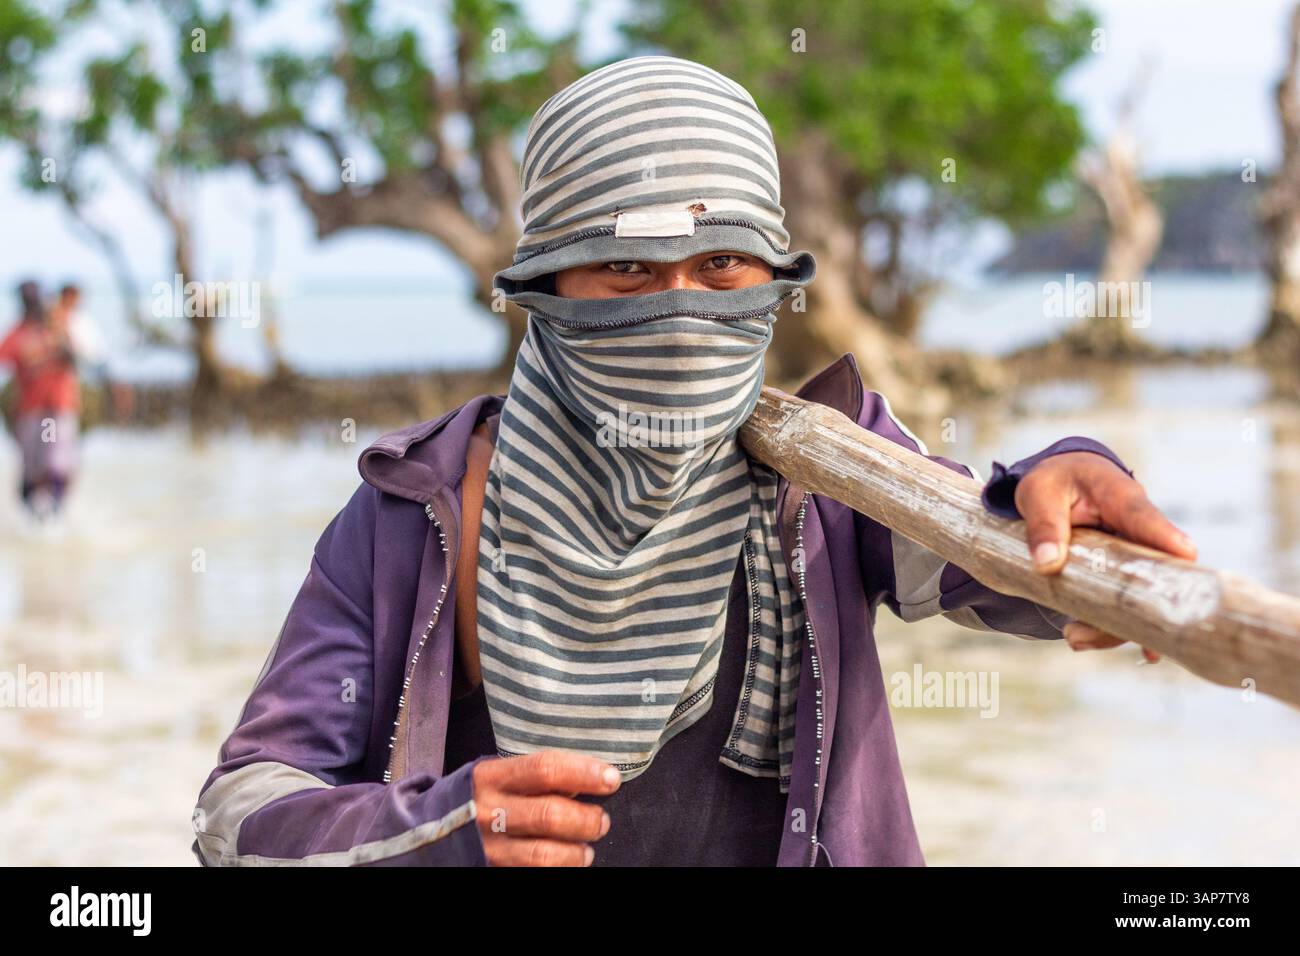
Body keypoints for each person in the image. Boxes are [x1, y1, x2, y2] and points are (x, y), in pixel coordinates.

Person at [193, 56, 1196, 867]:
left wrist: (1067, 480)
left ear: (769, 279)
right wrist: (437, 830)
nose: (678, 306)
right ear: (544, 286)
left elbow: (996, 561)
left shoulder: (827, 476)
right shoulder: (414, 517)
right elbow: (242, 810)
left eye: (719, 264)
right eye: (626, 266)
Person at [0, 280, 84, 517]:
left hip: (57, 407)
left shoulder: (58, 324)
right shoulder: (17, 332)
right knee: (31, 468)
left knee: (55, 462)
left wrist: (58, 344)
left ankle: (56, 515)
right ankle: (34, 519)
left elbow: (76, 356)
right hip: (30, 411)